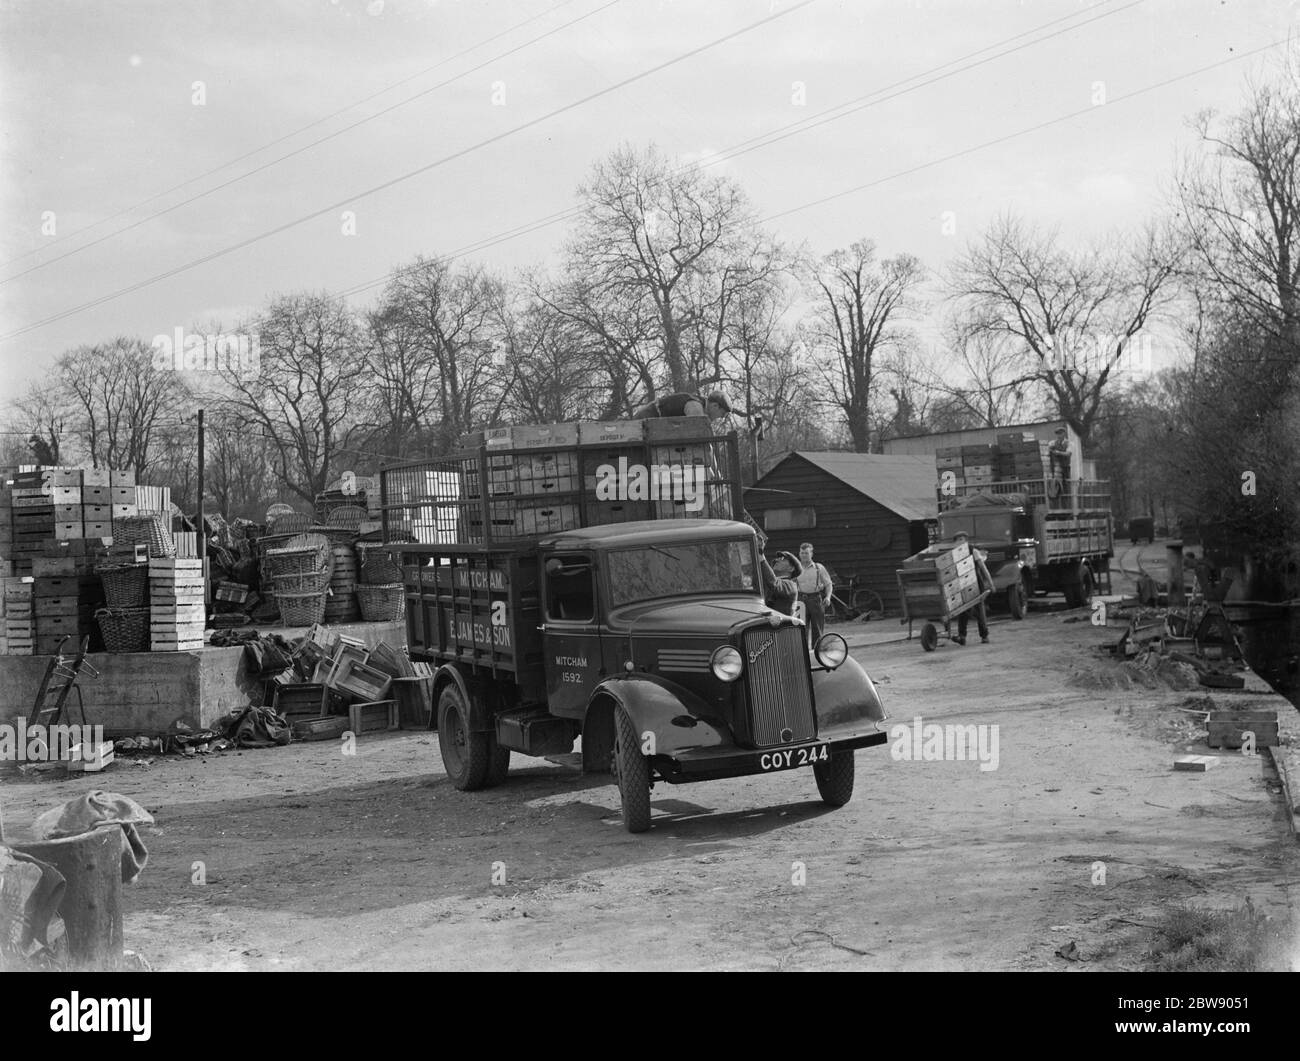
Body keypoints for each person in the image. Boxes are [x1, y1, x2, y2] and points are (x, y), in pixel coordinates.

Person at [952, 532, 993, 645]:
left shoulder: (973, 551)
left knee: (979, 610)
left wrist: (991, 583)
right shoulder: (954, 555)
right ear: (955, 543)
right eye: (959, 539)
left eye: (963, 539)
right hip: (962, 585)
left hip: (976, 584)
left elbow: (983, 568)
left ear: (966, 541)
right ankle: (962, 636)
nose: (961, 542)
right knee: (963, 611)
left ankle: (984, 636)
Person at [795, 542, 833, 646]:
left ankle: (817, 653)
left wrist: (828, 597)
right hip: (800, 600)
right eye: (802, 553)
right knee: (801, 629)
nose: (804, 555)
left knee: (818, 629)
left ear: (811, 554)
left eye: (806, 553)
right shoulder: (795, 568)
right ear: (799, 554)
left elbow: (828, 584)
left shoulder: (818, 567)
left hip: (815, 599)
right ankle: (803, 655)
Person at [632, 390, 731, 421]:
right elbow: (699, 437)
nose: (719, 418)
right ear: (714, 406)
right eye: (721, 414)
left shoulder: (697, 404)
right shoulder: (695, 407)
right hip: (646, 419)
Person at [760, 551, 800, 615]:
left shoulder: (791, 585)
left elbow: (774, 584)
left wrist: (761, 558)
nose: (776, 560)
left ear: (791, 568)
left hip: (782, 624)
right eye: (777, 558)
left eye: (782, 559)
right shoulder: (771, 581)